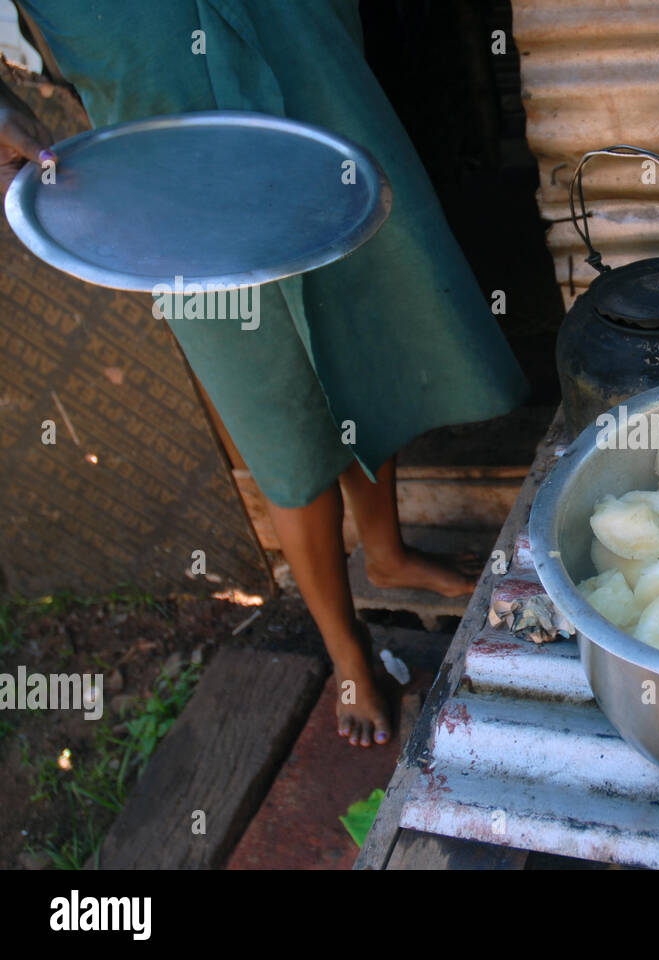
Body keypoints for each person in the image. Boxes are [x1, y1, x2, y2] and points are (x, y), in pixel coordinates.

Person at [0, 0, 531, 748]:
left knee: (354, 305)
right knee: (266, 393)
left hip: (287, 30)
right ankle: (345, 648)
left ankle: (387, 553)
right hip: (146, 75)